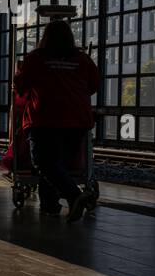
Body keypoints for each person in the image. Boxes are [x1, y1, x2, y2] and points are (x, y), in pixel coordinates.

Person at [13, 19, 100, 222]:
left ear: (45, 37)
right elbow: (94, 85)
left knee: (43, 162)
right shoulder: (83, 59)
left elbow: (21, 86)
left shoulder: (36, 58)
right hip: (77, 121)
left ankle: (74, 195)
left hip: (45, 119)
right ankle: (50, 205)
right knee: (57, 164)